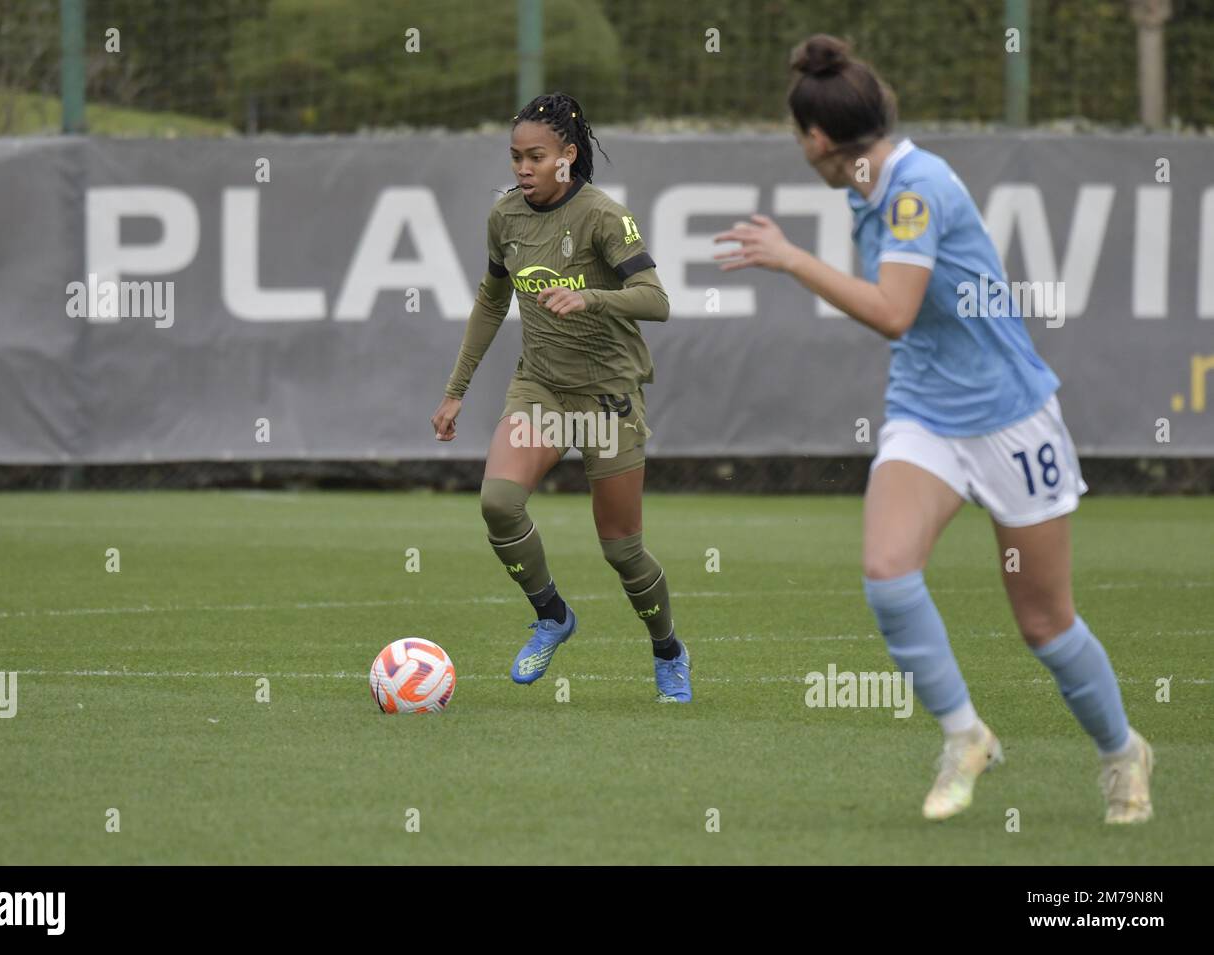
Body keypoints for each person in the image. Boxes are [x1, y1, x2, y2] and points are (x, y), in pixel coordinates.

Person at [714, 35, 1153, 822]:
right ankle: (965, 735)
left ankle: (1123, 751)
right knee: (888, 571)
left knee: (1046, 625)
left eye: (795, 129)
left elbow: (894, 312)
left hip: (1013, 420)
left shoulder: (915, 188)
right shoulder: (865, 183)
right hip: (926, 416)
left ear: (815, 139)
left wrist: (789, 259)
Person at [431, 92, 691, 702]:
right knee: (498, 502)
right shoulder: (506, 219)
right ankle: (552, 615)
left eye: (536, 156)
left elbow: (656, 300)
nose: (523, 168)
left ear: (568, 157)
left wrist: (591, 297)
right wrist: (455, 391)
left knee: (623, 552)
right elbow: (492, 301)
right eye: (516, 156)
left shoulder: (604, 216)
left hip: (606, 402)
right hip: (541, 390)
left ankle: (668, 649)